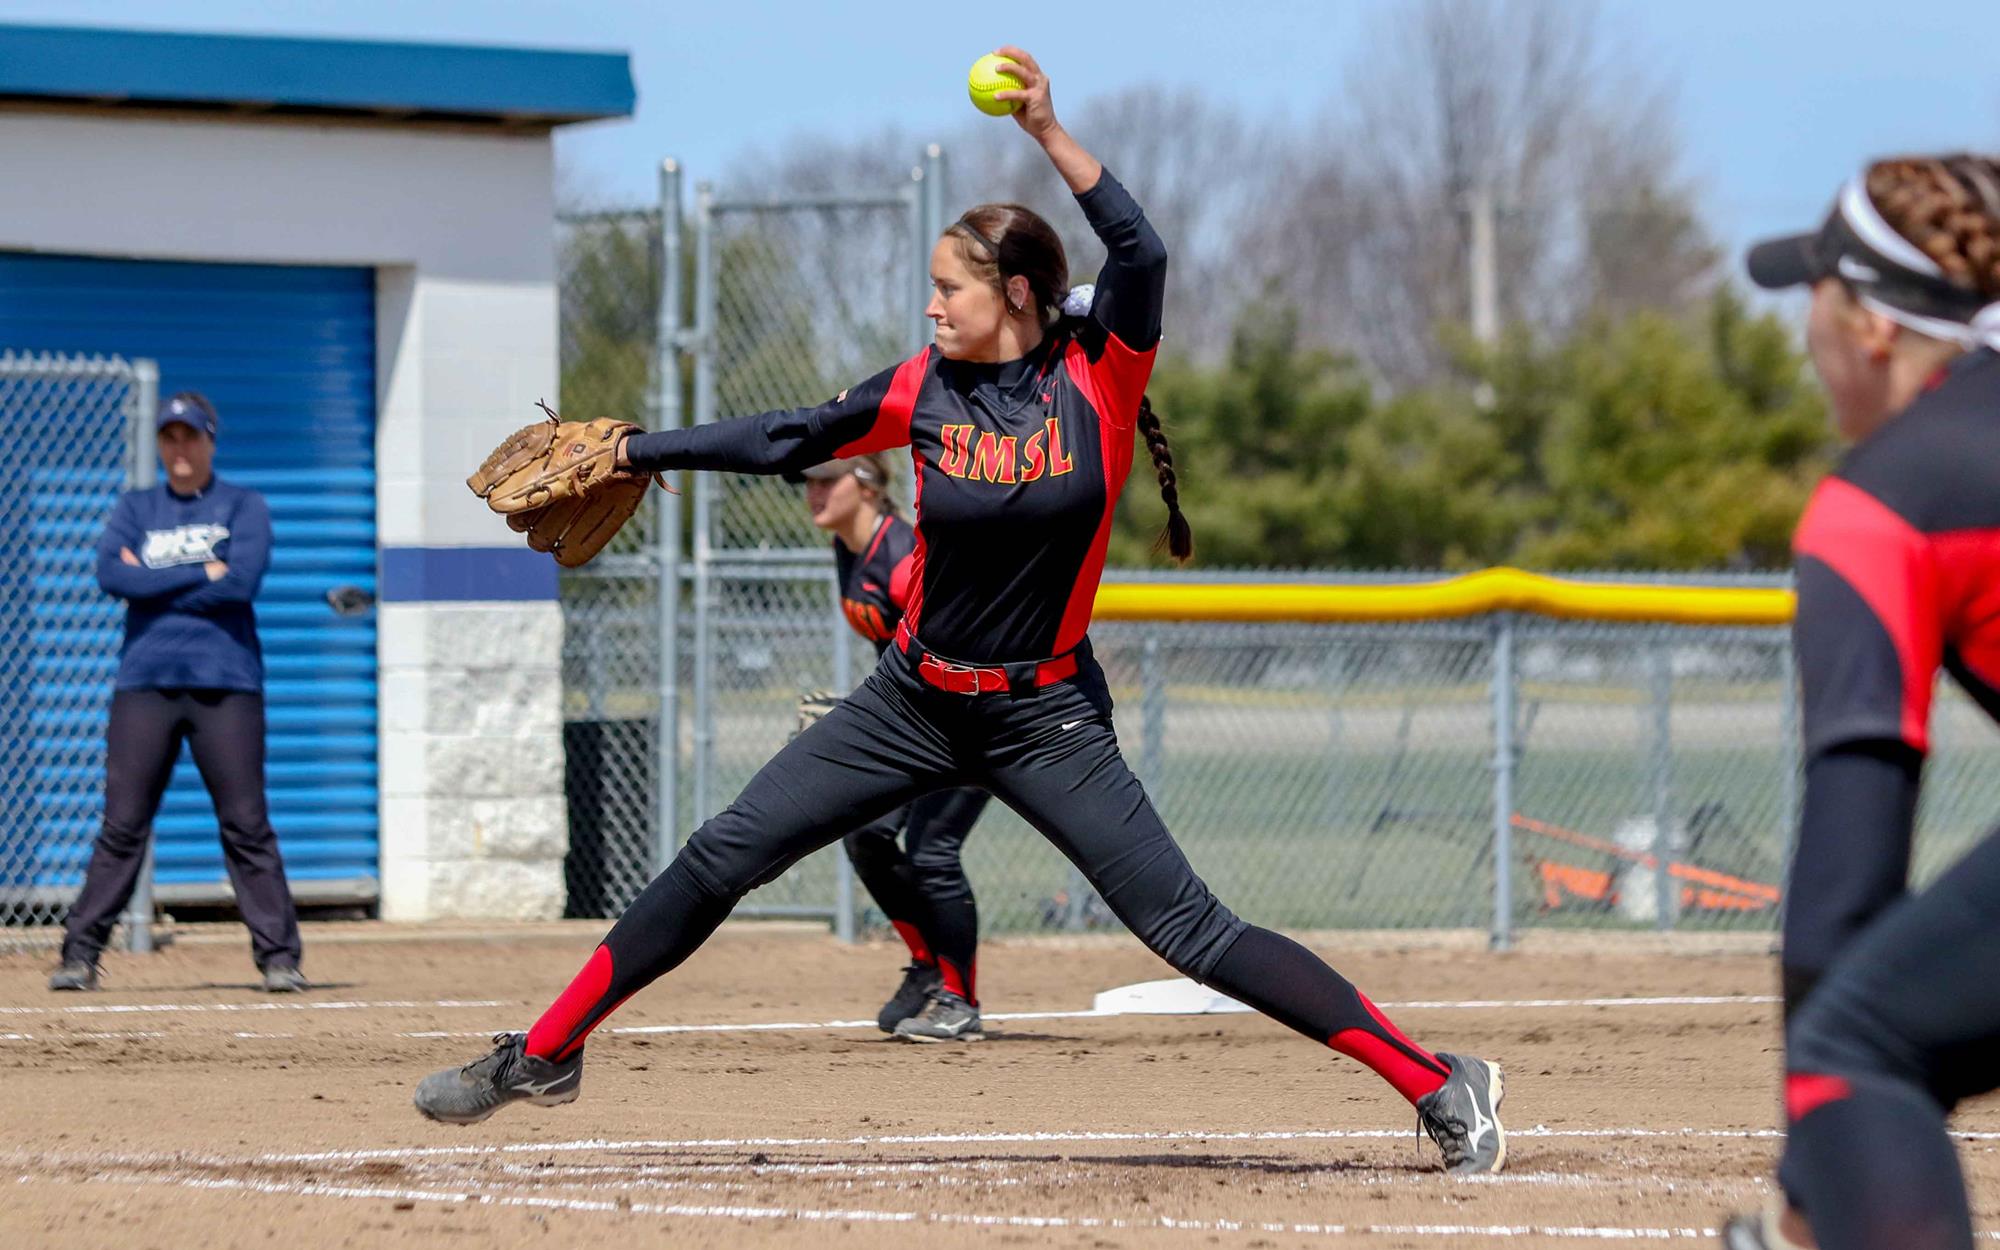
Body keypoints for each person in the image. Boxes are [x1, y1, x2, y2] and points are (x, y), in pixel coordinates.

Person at [415, 46, 1506, 1175]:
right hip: (913, 700)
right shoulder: (921, 388)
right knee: (716, 856)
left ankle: (1438, 1081)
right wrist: (640, 446)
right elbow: (791, 434)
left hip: (1045, 717)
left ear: (1017, 295)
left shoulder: (1102, 374)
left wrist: (1046, 129)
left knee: (1187, 928)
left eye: (951, 286)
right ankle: (543, 1050)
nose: (930, 304)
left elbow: (1142, 249)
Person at [1720, 155, 2000, 1249]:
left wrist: (1816, 1164)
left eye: (1813, 296)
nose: (1806, 332)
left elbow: (1841, 897)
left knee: (1853, 1044)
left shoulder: (1881, 500)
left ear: (1870, 326)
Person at [49, 391, 305, 994]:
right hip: (145, 685)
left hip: (227, 685)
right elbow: (110, 574)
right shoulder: (136, 506)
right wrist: (200, 572)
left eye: (190, 436)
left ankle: (278, 959)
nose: (180, 447)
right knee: (122, 825)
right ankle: (79, 956)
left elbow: (241, 582)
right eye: (169, 437)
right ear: (160, 445)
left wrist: (153, 581)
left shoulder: (244, 505)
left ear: (210, 441)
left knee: (246, 824)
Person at [792, 451, 995, 1040]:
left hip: (975, 711)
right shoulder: (848, 550)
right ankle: (928, 968)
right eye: (810, 481)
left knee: (933, 848)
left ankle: (960, 1002)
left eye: (827, 480)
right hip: (922, 716)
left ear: (868, 489)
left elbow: (958, 645)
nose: (814, 492)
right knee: (868, 835)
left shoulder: (903, 559)